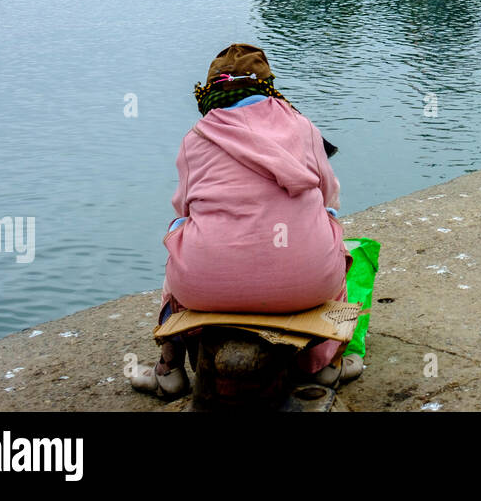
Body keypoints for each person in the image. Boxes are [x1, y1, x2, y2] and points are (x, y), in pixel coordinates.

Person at [132, 44, 357, 398]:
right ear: (267, 87)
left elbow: (183, 211)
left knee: (178, 238)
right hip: (307, 282)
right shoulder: (302, 127)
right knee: (332, 238)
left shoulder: (196, 137)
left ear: (210, 94)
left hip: (206, 286)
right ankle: (325, 364)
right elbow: (331, 198)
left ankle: (168, 368)